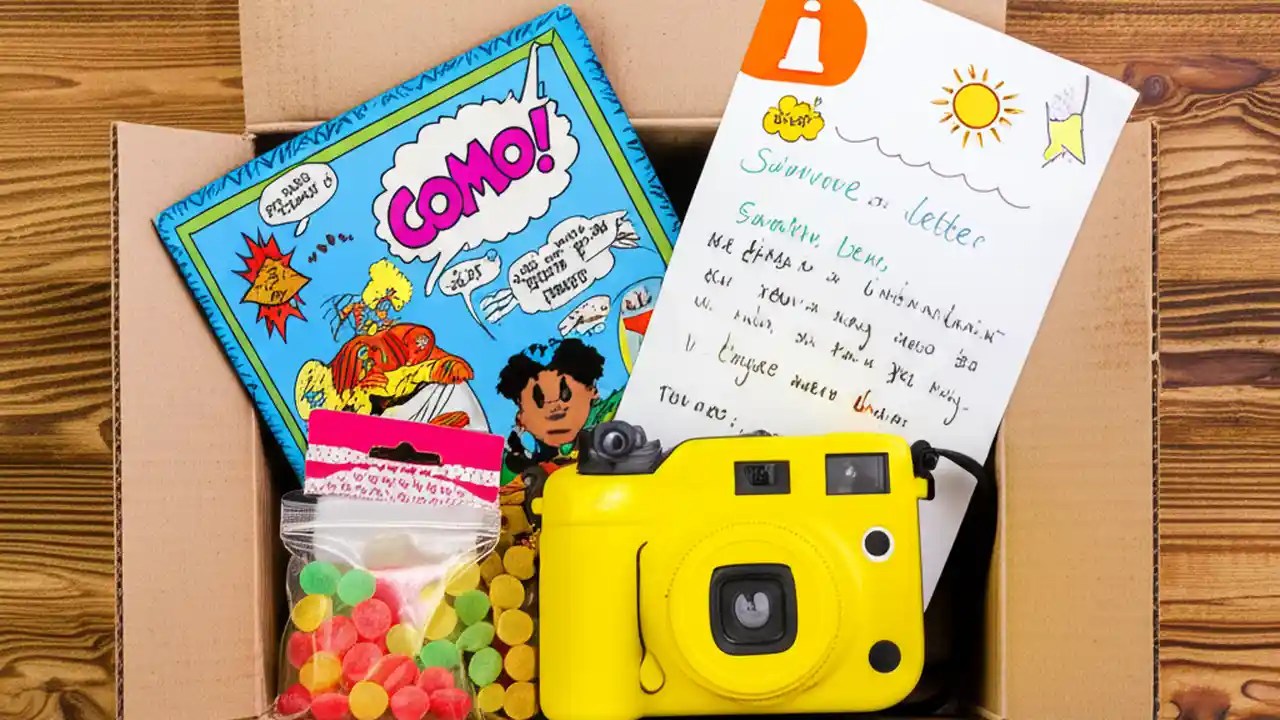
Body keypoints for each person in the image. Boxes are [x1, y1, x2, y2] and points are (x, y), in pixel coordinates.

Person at [496, 339, 605, 477]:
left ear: (592, 391)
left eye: (565, 394)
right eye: (539, 400)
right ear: (520, 415)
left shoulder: (604, 432)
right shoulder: (510, 461)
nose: (554, 409)